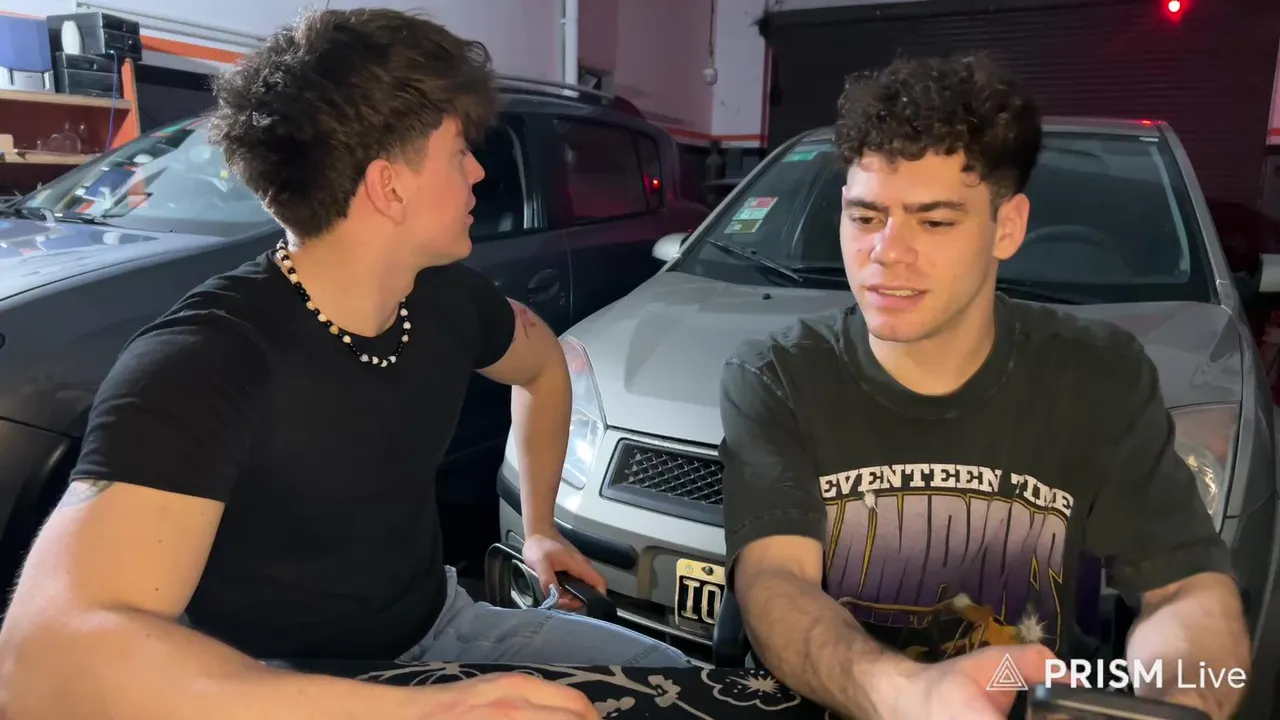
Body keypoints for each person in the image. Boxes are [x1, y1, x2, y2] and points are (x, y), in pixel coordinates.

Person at [0, 8, 686, 719]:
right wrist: (430, 711)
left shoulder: (448, 297)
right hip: (267, 682)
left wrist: (539, 527)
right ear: (390, 186)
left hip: (440, 624)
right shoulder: (204, 361)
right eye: (460, 152)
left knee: (668, 676)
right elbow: (39, 662)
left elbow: (544, 369)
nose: (479, 171)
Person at [718, 55, 1252, 720]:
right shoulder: (780, 374)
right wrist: (908, 694)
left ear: (1008, 227)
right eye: (866, 217)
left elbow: (1185, 588)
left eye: (934, 221)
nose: (887, 252)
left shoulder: (1098, 378)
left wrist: (1181, 698)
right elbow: (775, 580)